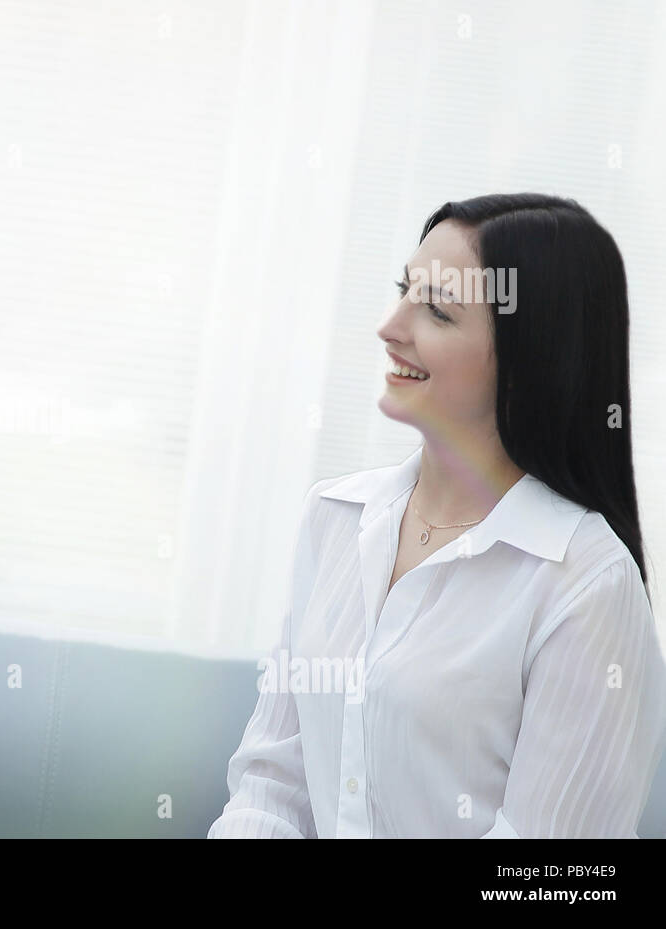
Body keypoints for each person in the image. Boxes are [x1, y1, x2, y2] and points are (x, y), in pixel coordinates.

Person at [209, 193, 666, 838]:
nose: (391, 327)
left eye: (437, 311)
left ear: (530, 357)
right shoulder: (335, 519)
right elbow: (274, 786)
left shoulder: (588, 585)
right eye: (405, 290)